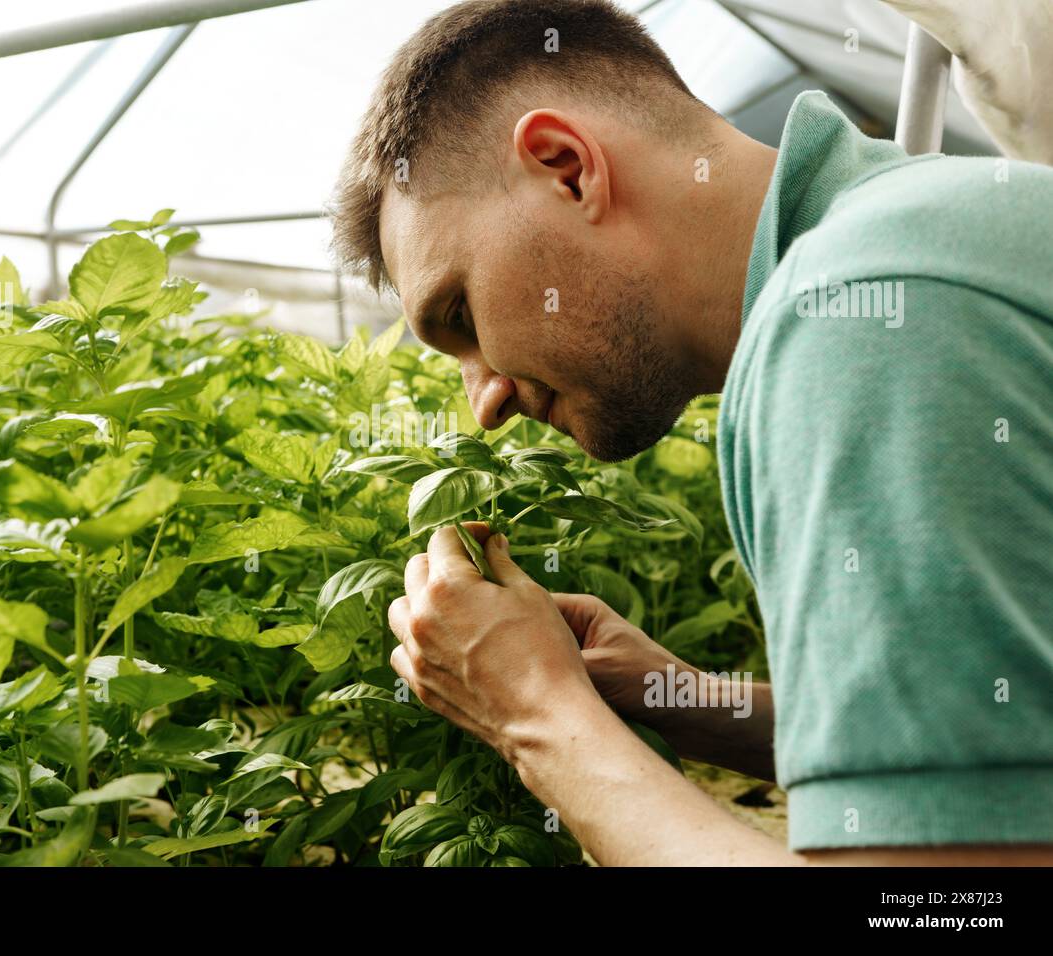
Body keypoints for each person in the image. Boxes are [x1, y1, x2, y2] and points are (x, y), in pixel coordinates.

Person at [330, 0, 1053, 865]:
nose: (482, 402)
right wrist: (683, 698)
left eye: (459, 313)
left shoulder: (854, 317)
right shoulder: (908, 249)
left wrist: (535, 717)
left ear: (566, 169)